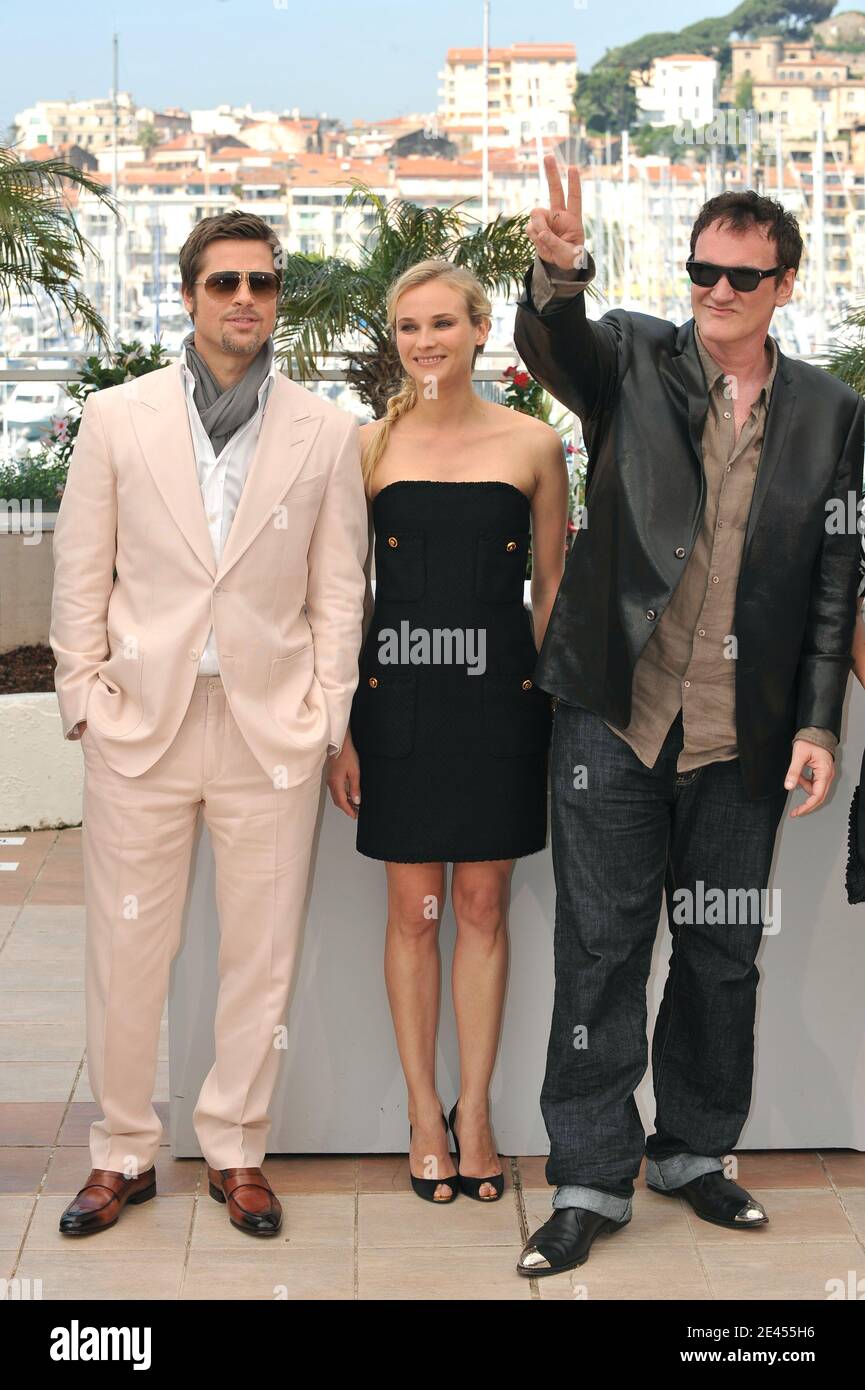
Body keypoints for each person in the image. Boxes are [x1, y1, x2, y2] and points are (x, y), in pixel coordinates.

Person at [512, 158, 865, 1276]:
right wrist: (558, 277)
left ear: (784, 285)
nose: (717, 292)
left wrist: (816, 727)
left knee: (719, 954)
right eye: (703, 272)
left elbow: (831, 584)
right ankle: (586, 1174)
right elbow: (550, 349)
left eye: (742, 277)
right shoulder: (626, 356)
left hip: (741, 737)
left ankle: (693, 1150)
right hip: (615, 718)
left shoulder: (830, 414)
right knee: (600, 953)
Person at [49, 210, 368, 1238]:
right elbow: (79, 570)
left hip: (269, 728)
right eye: (224, 282)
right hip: (139, 721)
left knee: (259, 954)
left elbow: (339, 590)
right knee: (126, 950)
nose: (244, 300)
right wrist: (81, 695)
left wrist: (327, 712)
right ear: (186, 294)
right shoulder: (116, 417)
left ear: (277, 300)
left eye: (262, 284)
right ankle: (124, 1148)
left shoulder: (327, 430)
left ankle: (236, 1146)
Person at [327, 259, 569, 1202]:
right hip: (397, 703)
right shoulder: (365, 448)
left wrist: (556, 716)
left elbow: (549, 593)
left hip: (501, 700)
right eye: (408, 329)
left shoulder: (534, 446)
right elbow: (343, 598)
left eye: (441, 324)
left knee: (481, 909)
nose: (424, 342)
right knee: (411, 913)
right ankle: (422, 1113)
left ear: (478, 330)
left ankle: (477, 1112)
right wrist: (341, 728)